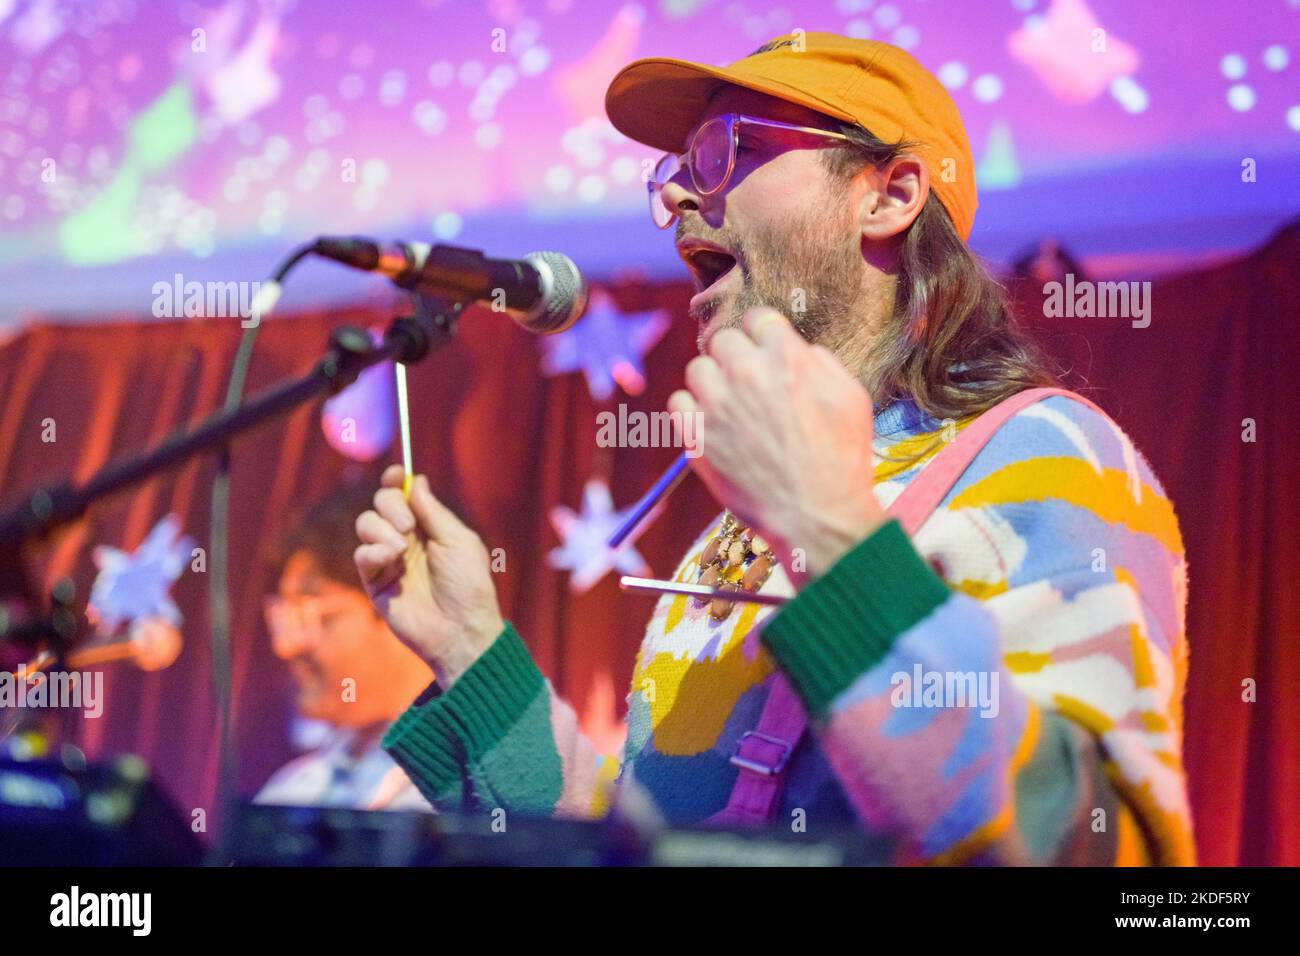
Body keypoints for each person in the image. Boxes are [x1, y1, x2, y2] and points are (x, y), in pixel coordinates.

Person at [353, 34, 1193, 864]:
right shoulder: (736, 532)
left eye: (725, 152)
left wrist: (826, 532)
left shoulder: (1043, 451)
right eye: (672, 172)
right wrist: (472, 654)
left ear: (890, 195)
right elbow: (644, 849)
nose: (676, 197)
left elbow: (1090, 849)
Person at [256, 482, 433, 811]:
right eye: (285, 614)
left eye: (314, 614)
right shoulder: (291, 791)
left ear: (400, 609)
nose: (286, 646)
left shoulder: (488, 787)